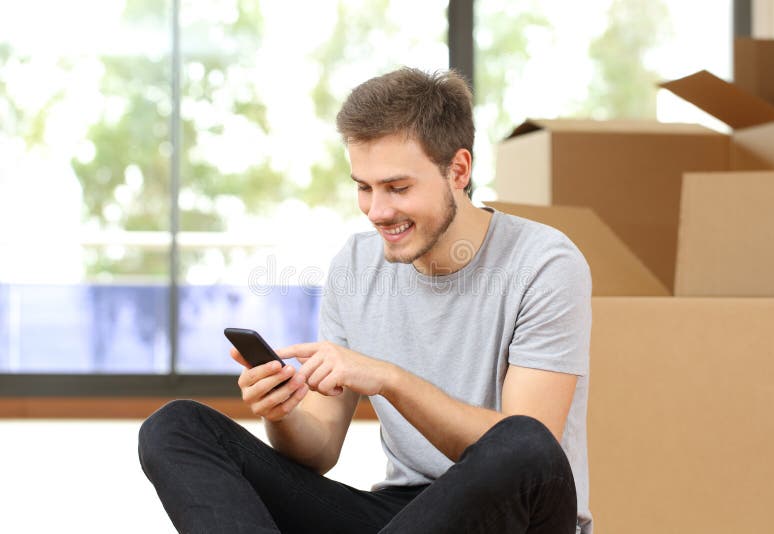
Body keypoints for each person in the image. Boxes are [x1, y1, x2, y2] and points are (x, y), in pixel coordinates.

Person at [139, 67, 592, 534]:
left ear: (458, 170)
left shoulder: (544, 263)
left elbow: (529, 458)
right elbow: (317, 451)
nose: (377, 211)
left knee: (523, 441)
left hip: (514, 517)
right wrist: (285, 412)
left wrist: (390, 380)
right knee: (176, 427)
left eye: (398, 188)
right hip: (401, 515)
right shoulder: (355, 265)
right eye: (363, 187)